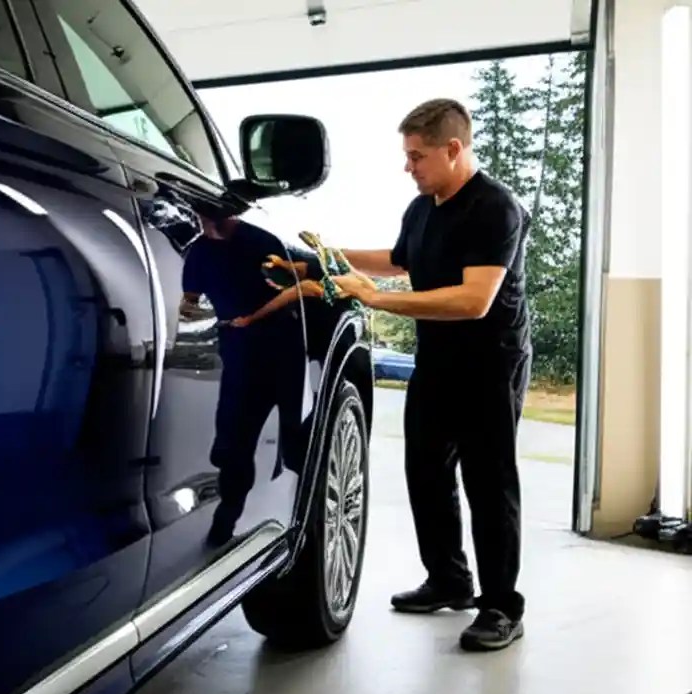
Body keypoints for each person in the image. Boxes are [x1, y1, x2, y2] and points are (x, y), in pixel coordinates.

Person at [331, 98, 532, 652]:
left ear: (453, 148)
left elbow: (473, 300)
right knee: (425, 469)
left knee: (488, 484)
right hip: (437, 360)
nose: (408, 167)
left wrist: (374, 300)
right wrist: (327, 257)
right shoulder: (422, 207)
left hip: (491, 361)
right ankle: (449, 579)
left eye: (417, 156)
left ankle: (501, 607)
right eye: (406, 155)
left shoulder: (496, 208)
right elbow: (398, 259)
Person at [180, 215, 304, 546]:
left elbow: (292, 293)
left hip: (284, 353)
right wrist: (193, 315)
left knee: (296, 443)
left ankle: (305, 525)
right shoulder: (199, 253)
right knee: (231, 446)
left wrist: (250, 319)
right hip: (239, 359)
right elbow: (188, 303)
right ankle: (226, 519)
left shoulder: (262, 242)